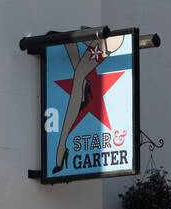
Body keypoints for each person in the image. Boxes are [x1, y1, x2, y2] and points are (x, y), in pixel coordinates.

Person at [53, 33, 126, 174]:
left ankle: (61, 146)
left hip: (108, 39)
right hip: (98, 35)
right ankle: (61, 146)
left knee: (78, 78)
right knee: (67, 43)